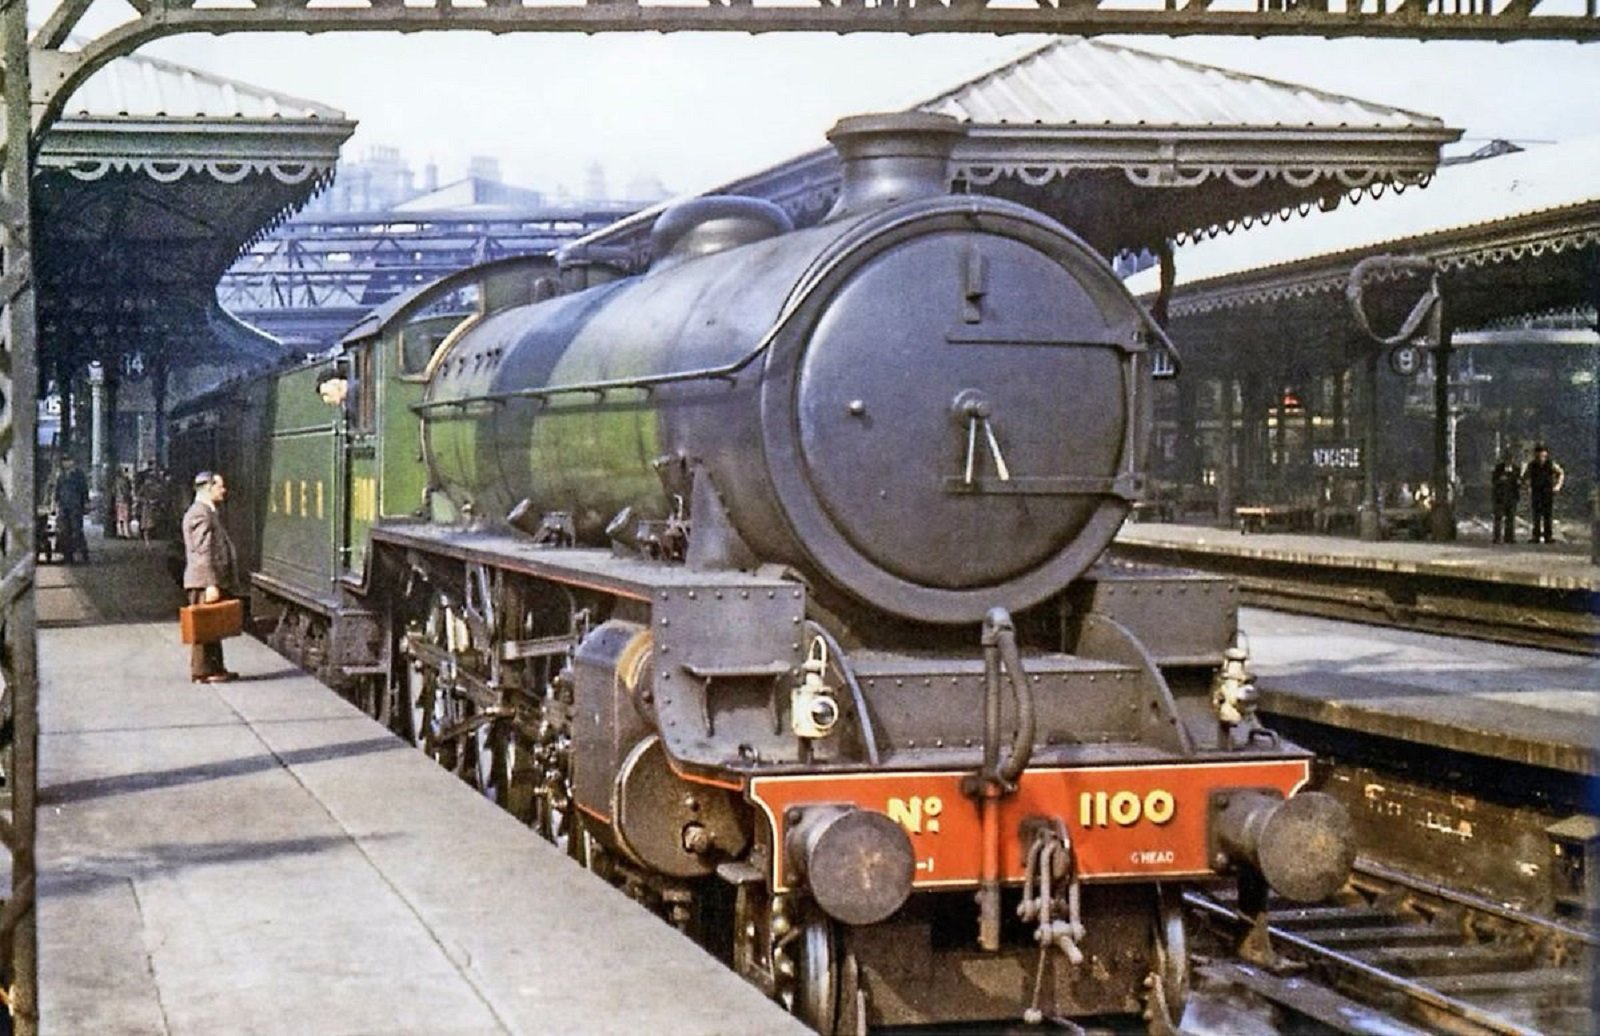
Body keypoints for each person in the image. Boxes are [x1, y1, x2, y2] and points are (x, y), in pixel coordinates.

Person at [182, 471, 239, 684]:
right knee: (203, 629)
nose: (223, 490)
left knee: (211, 626)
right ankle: (202, 671)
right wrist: (210, 583)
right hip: (202, 580)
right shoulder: (200, 514)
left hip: (205, 579)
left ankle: (215, 668)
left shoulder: (207, 512)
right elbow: (202, 552)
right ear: (208, 488)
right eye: (220, 486)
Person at [1521, 444, 1565, 545]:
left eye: (1543, 456)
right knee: (1536, 515)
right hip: (1537, 491)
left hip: (1547, 492)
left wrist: (1558, 486)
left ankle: (1548, 536)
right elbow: (1525, 477)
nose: (1541, 458)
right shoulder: (1532, 465)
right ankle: (1536, 536)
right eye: (1539, 456)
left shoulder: (1550, 464)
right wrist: (1528, 487)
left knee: (1547, 515)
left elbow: (1561, 473)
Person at [53, 455, 90, 563]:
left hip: (76, 506)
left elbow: (84, 490)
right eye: (64, 461)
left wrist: (85, 503)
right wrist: (55, 503)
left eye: (67, 460)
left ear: (72, 461)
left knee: (76, 530)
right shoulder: (61, 475)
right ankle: (67, 555)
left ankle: (83, 552)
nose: (65, 463)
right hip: (64, 506)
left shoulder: (79, 475)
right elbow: (57, 490)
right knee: (65, 531)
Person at [1490, 451, 1520, 544]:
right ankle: (1497, 537)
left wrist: (1518, 482)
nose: (1509, 461)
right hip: (1500, 497)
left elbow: (1518, 482)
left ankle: (1509, 537)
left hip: (1512, 497)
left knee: (1510, 518)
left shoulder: (1516, 469)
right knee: (1498, 517)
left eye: (1511, 459)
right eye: (1507, 459)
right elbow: (1494, 480)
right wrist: (1500, 480)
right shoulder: (1499, 468)